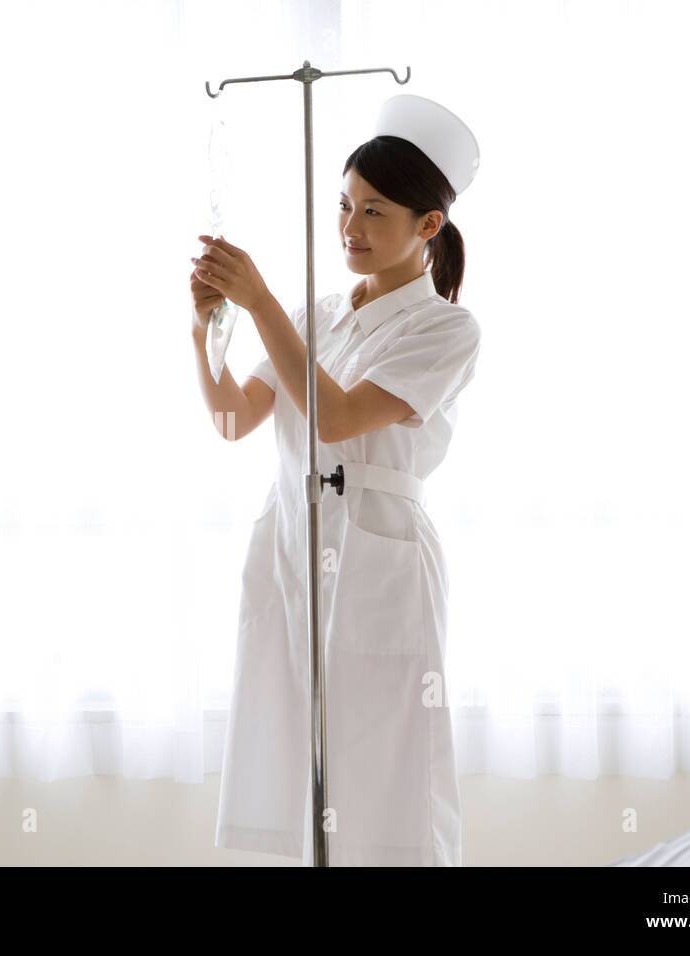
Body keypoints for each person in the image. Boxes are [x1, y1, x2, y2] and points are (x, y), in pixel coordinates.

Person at [188, 95, 482, 866]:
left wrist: (259, 307)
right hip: (292, 545)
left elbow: (340, 418)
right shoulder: (314, 314)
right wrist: (206, 328)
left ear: (428, 226)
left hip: (380, 559)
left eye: (373, 212)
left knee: (389, 768)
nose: (350, 229)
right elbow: (230, 417)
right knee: (297, 759)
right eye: (344, 206)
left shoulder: (447, 329)